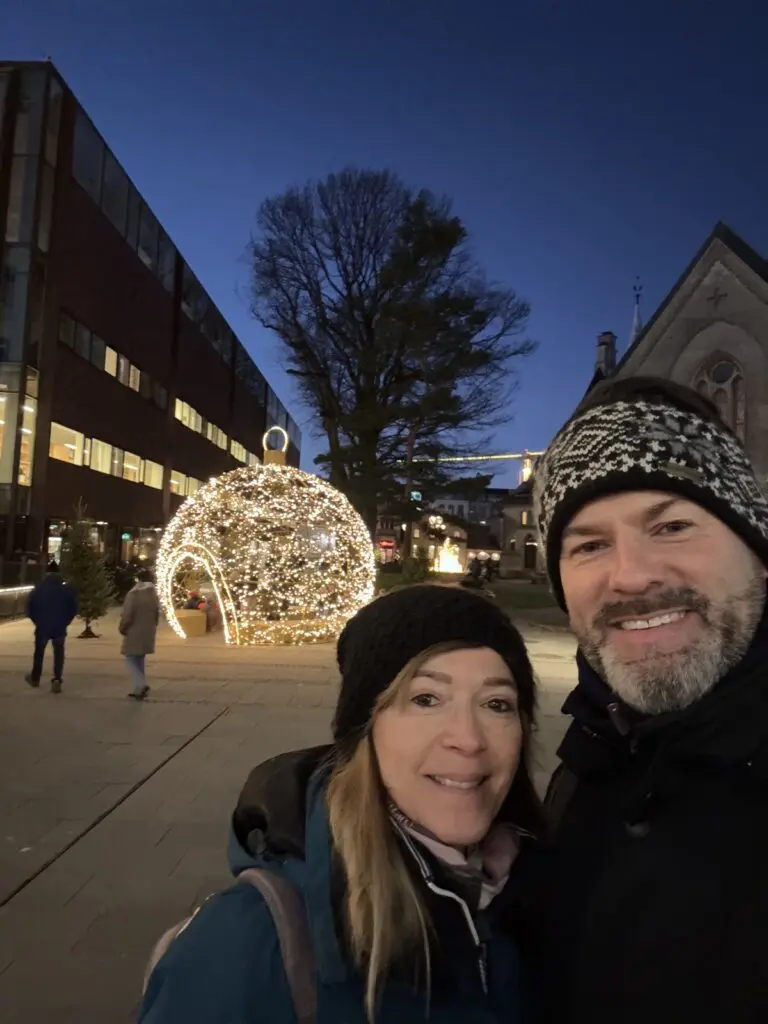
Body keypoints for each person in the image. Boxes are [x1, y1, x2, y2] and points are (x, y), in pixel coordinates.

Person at [139, 584, 544, 1023]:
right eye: (426, 699)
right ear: (364, 730)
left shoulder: (531, 896)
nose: (468, 739)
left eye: (496, 704)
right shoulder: (244, 946)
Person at [531, 376, 768, 1023]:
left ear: (758, 551)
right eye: (589, 545)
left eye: (672, 525)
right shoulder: (592, 753)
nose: (632, 575)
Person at [24, 560, 78, 694]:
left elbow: (29, 607)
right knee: (59, 653)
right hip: (59, 627)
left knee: (39, 653)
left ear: (47, 573)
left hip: (42, 626)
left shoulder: (38, 588)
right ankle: (57, 679)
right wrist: (65, 621)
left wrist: (37, 621)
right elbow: (73, 608)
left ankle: (35, 678)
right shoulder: (65, 590)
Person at [119, 568, 160, 700]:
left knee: (130, 657)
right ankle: (138, 688)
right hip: (148, 630)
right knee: (139, 658)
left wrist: (122, 627)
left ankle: (141, 685)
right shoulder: (153, 593)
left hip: (134, 631)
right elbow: (157, 613)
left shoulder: (134, 593)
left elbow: (128, 614)